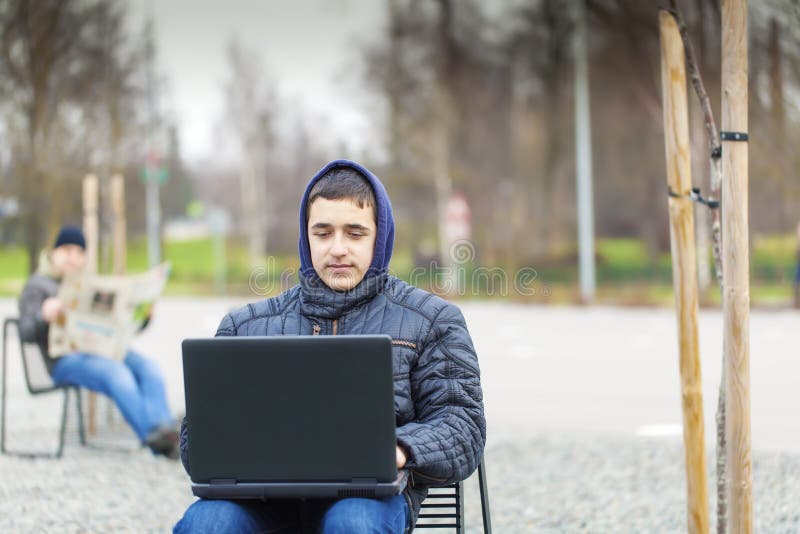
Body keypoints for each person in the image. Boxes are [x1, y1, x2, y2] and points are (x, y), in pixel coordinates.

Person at [175, 160, 486, 533]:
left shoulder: (432, 321)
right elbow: (197, 443)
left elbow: (463, 425)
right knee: (209, 522)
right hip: (261, 501)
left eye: (355, 234)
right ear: (306, 237)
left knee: (351, 522)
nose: (337, 249)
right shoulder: (244, 326)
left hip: (368, 501)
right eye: (323, 233)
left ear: (380, 235)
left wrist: (398, 449)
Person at [18, 225, 179, 459]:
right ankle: (155, 436)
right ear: (53, 252)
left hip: (102, 350)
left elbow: (117, 331)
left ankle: (167, 431)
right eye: (67, 249)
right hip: (64, 360)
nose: (73, 257)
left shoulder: (86, 284)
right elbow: (24, 332)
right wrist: (43, 316)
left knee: (149, 368)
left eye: (79, 252)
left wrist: (142, 318)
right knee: (116, 373)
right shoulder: (37, 286)